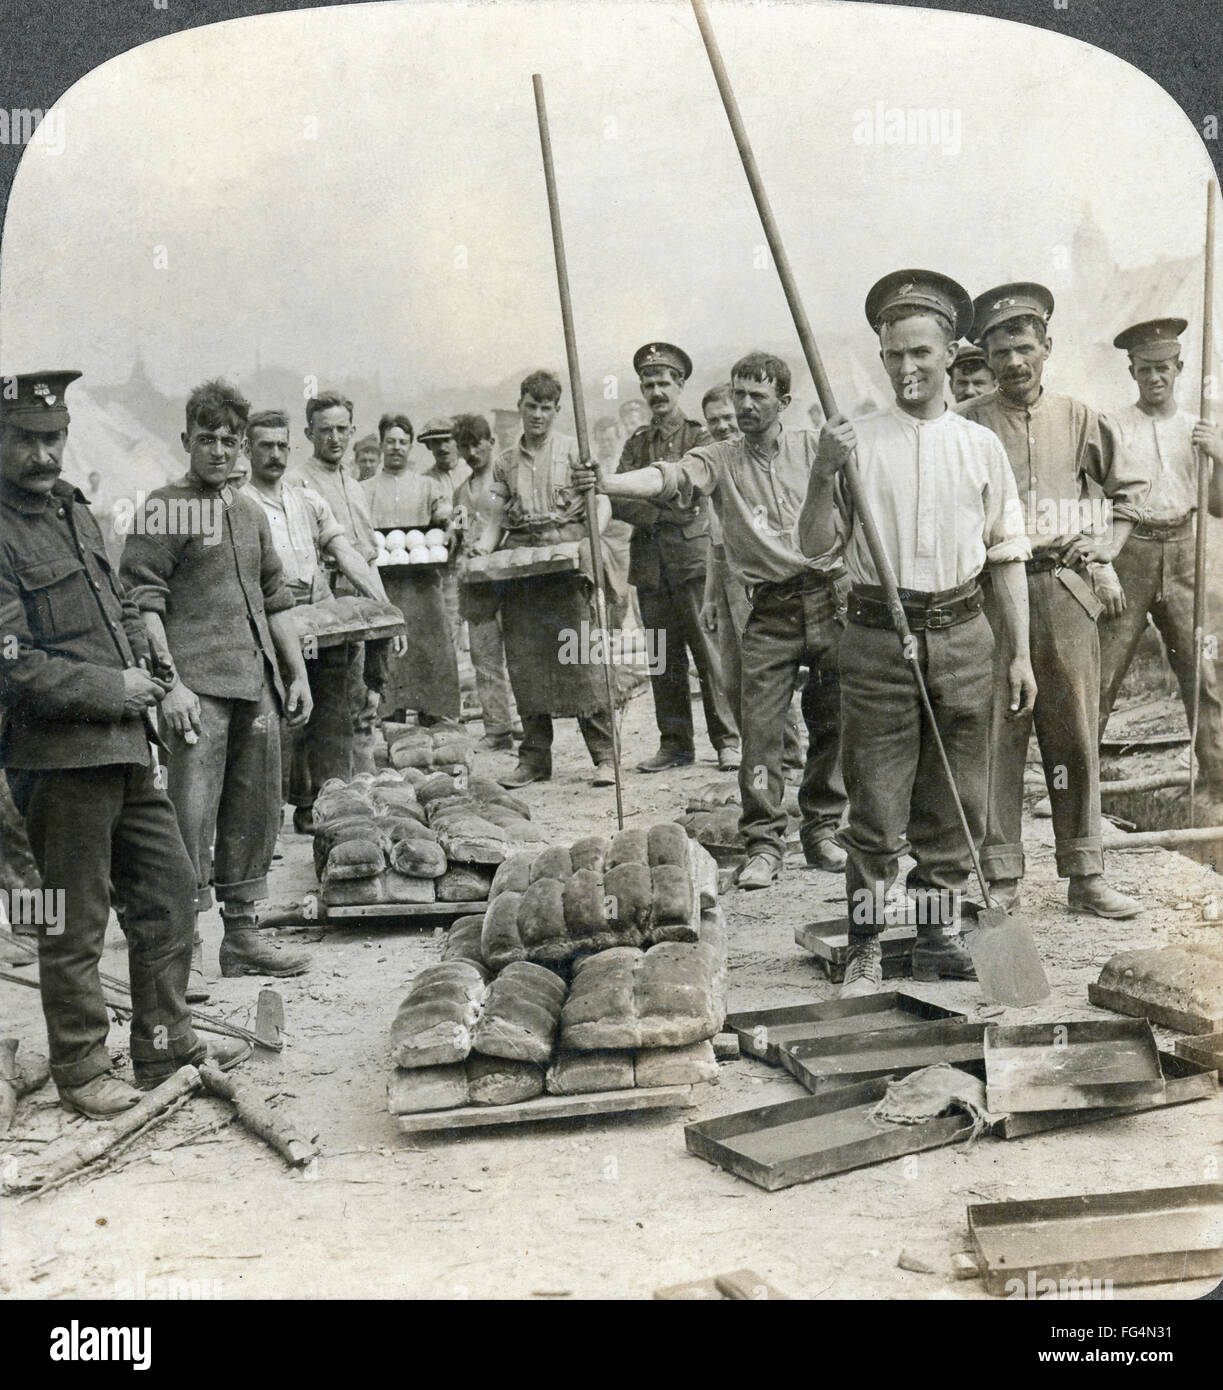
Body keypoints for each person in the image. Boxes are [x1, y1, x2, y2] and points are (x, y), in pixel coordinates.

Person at [0, 371, 246, 1117]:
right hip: (55, 761)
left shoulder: (72, 511)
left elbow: (116, 616)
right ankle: (80, 1069)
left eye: (55, 438)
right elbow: (10, 660)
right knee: (70, 921)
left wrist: (157, 677)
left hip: (125, 750)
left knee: (170, 891)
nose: (46, 455)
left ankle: (163, 1040)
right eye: (27, 440)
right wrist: (112, 690)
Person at [797, 272, 1036, 996]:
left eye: (920, 354)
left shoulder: (979, 446)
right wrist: (820, 473)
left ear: (947, 351)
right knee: (874, 808)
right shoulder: (855, 443)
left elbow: (1005, 554)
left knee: (955, 804)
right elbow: (813, 548)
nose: (906, 369)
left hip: (964, 635)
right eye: (892, 354)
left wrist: (1020, 651)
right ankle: (866, 944)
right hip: (875, 638)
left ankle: (934, 936)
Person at [578, 351, 848, 888]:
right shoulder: (719, 457)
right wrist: (606, 483)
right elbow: (669, 476)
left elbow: (857, 513)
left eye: (758, 396)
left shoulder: (815, 447)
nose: (745, 405)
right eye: (738, 393)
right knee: (760, 729)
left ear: (783, 403)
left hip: (827, 597)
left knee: (833, 720)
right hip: (768, 607)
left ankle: (822, 829)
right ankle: (765, 843)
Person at [960, 283, 1149, 918]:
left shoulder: (1079, 417)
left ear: (1047, 346)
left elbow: (1126, 494)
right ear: (983, 355)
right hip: (992, 594)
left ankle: (1086, 871)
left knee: (1073, 732)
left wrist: (1107, 549)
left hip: (1065, 587)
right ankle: (1003, 873)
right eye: (1000, 351)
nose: (1014, 362)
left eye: (1024, 347)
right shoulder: (967, 425)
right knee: (1000, 728)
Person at [121, 380, 314, 996]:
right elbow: (141, 603)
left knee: (256, 809)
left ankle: (243, 934)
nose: (221, 451)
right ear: (185, 440)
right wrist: (168, 686)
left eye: (231, 440)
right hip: (195, 690)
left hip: (253, 683)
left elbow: (276, 597)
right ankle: (185, 945)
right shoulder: (163, 507)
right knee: (188, 815)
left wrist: (296, 673)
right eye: (208, 439)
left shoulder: (248, 509)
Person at [472, 370, 617, 788]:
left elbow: (600, 501)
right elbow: (495, 520)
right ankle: (534, 758)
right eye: (530, 406)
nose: (537, 415)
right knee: (525, 660)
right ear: (520, 406)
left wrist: (593, 537)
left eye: (545, 408)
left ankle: (605, 756)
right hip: (522, 566)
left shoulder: (576, 452)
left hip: (567, 559)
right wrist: (483, 551)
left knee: (582, 656)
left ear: (556, 411)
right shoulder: (503, 463)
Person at [245, 408, 386, 834]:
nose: (275, 454)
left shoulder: (305, 498)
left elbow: (344, 552)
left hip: (320, 613)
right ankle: (270, 822)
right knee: (283, 718)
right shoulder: (240, 504)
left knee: (332, 713)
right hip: (275, 618)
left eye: (282, 445)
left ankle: (327, 809)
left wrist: (382, 604)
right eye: (265, 446)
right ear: (248, 450)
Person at [1098, 318, 1223, 797]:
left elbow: (1216, 505)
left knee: (1201, 667)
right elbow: (1098, 498)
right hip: (1132, 552)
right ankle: (1077, 789)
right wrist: (1104, 563)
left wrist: (1221, 455)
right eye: (1145, 369)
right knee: (1104, 670)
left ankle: (1215, 779)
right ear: (1132, 371)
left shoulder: (1199, 429)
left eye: (1164, 369)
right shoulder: (1113, 426)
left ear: (1180, 368)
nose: (1155, 378)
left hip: (1185, 550)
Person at [614, 343, 739, 773]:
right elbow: (620, 499)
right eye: (649, 384)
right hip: (650, 564)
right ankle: (675, 745)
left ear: (680, 385)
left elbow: (696, 491)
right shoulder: (635, 443)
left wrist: (664, 502)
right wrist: (664, 508)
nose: (656, 391)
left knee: (709, 653)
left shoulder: (698, 436)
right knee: (662, 657)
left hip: (691, 561)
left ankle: (727, 740)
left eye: (663, 382)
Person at [698, 383, 805, 770]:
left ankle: (788, 758)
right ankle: (758, 759)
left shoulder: (760, 464)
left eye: (728, 418)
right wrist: (711, 597)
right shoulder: (716, 463)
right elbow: (717, 541)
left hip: (760, 580)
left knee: (765, 675)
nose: (723, 426)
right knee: (733, 677)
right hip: (727, 576)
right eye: (714, 421)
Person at [288, 390, 382, 775]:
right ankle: (312, 799)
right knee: (317, 702)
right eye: (325, 430)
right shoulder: (296, 482)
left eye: (342, 429)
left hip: (358, 603)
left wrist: (387, 610)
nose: (335, 438)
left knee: (362, 699)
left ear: (353, 430)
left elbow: (367, 557)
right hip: (317, 608)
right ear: (309, 433)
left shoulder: (355, 483)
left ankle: (362, 787)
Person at [365, 411, 461, 726]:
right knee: (390, 655)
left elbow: (444, 511)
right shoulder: (364, 489)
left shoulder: (426, 486)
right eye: (390, 441)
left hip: (423, 584)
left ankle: (433, 720)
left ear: (410, 447)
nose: (396, 447)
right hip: (384, 587)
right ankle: (393, 724)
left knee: (429, 651)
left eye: (403, 442)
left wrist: (449, 521)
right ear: (381, 445)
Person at [453, 411, 521, 751]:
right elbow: (458, 538)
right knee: (484, 656)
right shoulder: (459, 492)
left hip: (511, 574)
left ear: (491, 443)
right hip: (476, 584)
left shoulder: (509, 477)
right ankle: (498, 729)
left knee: (521, 652)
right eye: (464, 446)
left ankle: (525, 721)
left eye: (477, 444)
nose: (471, 453)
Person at [418, 415, 471, 684]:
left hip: (478, 560)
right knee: (450, 624)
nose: (442, 447)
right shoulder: (425, 481)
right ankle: (455, 698)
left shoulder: (472, 470)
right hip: (448, 567)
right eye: (434, 443)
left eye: (447, 440)